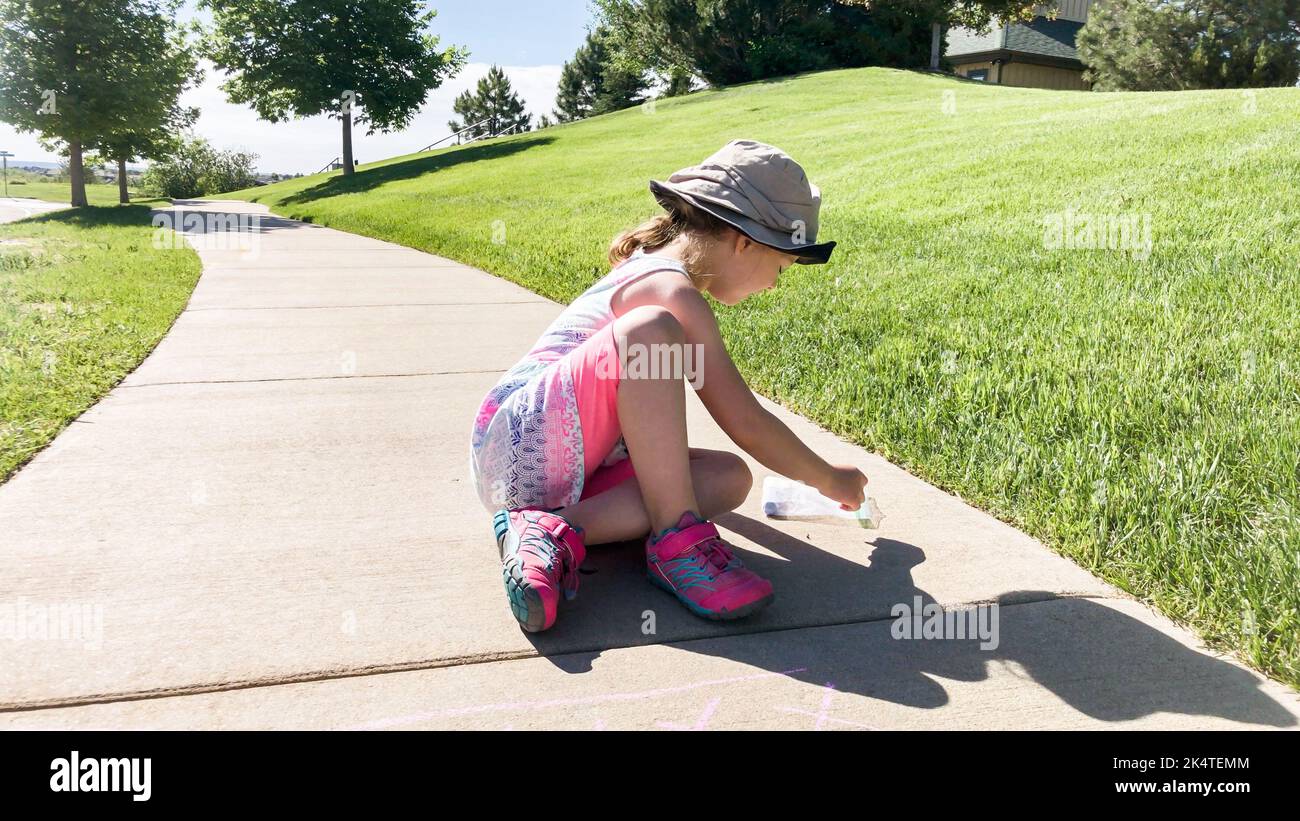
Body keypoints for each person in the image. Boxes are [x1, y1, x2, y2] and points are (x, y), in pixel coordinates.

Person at [469, 139, 868, 632]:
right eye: (781, 266)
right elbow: (743, 419)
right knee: (652, 332)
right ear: (744, 240)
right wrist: (829, 479)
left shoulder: (662, 278)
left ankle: (551, 531)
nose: (774, 284)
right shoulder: (669, 290)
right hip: (520, 436)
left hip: (566, 468)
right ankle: (678, 544)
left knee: (730, 478)